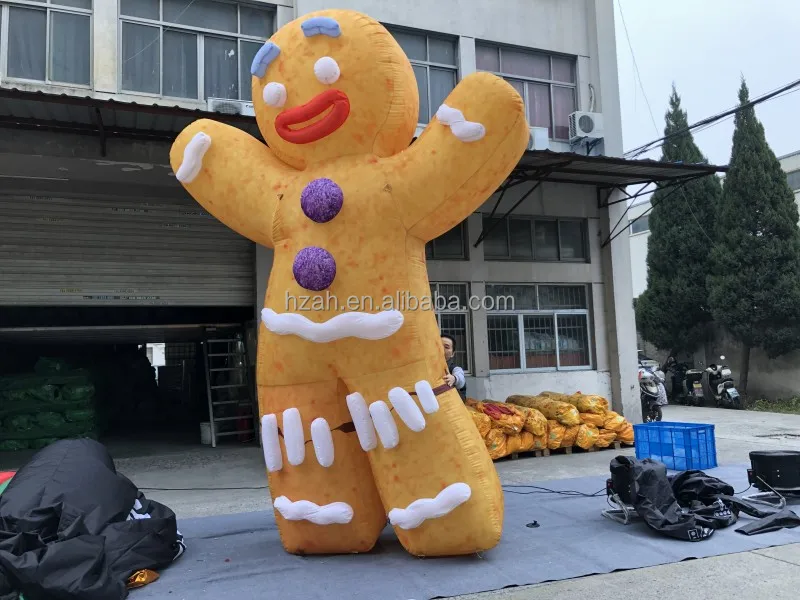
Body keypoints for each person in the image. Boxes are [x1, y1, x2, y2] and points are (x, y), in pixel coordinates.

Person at [441, 335, 467, 401]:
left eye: (446, 347)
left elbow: (461, 380)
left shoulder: (455, 369)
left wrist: (454, 378)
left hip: (454, 402)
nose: (441, 348)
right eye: (439, 345)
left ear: (452, 353)